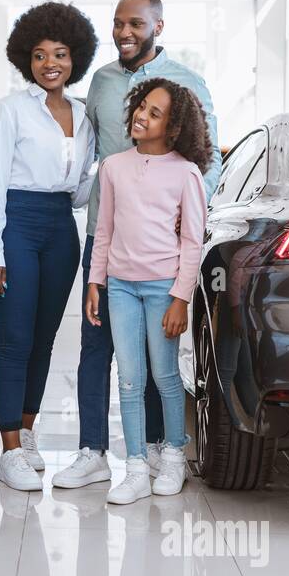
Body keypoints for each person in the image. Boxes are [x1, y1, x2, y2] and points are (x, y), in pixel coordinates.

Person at [54, 0, 224, 490]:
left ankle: (156, 448)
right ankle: (93, 451)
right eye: (118, 23)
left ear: (158, 27)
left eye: (135, 24)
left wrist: (182, 218)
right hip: (105, 239)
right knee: (95, 347)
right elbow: (89, 155)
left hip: (160, 249)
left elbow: (206, 160)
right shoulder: (102, 83)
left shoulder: (188, 84)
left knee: (156, 359)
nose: (124, 33)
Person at [0, 2, 98, 491]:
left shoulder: (85, 116)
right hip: (15, 226)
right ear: (27, 57)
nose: (51, 63)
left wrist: (109, 170)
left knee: (44, 341)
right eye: (42, 54)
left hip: (60, 228)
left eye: (62, 54)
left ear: (75, 59)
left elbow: (79, 189)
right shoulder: (9, 111)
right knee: (15, 341)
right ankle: (8, 450)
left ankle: (27, 432)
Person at [85, 77, 210, 502]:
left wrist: (181, 298)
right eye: (142, 106)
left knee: (165, 375)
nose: (142, 114)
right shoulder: (113, 167)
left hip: (162, 289)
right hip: (120, 287)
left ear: (173, 127)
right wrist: (95, 281)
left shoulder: (186, 173)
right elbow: (104, 230)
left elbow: (193, 239)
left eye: (155, 113)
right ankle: (136, 466)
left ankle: (173, 456)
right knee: (129, 379)